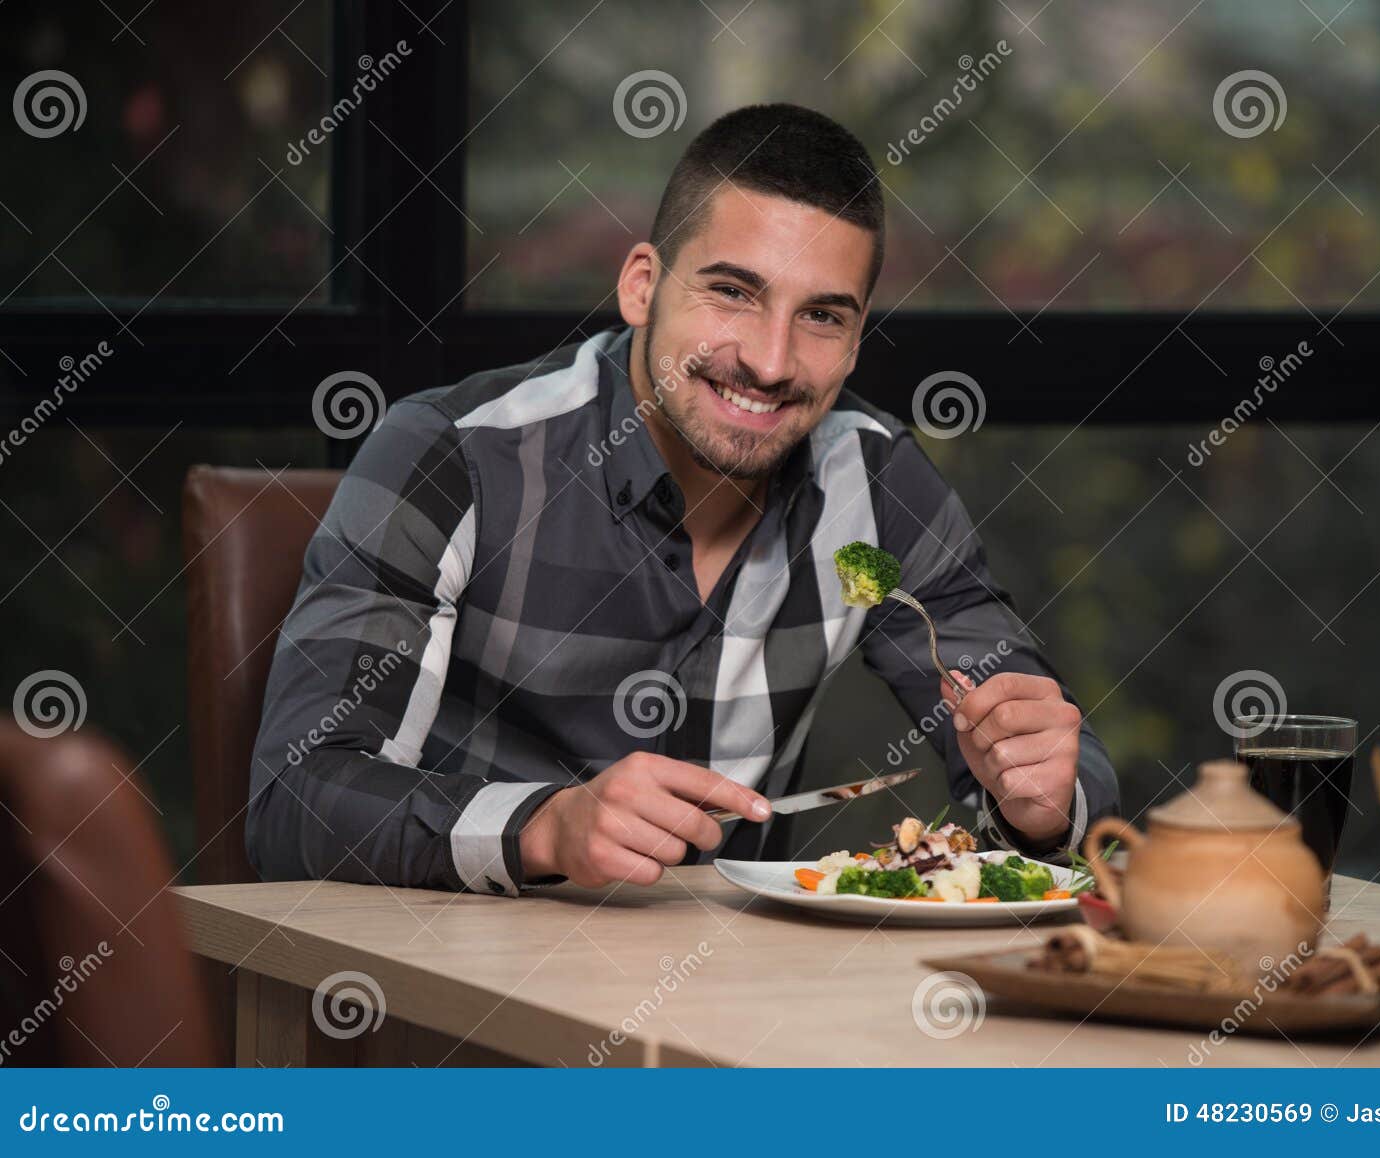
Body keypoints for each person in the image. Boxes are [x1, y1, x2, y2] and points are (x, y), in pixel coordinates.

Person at [246, 103, 1118, 895]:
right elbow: (297, 797)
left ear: (855, 344)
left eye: (822, 316)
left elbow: (1055, 766)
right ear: (641, 286)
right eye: (733, 293)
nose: (772, 362)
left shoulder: (879, 484)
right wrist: (545, 826)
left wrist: (1042, 799)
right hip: (453, 1011)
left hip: (738, 1027)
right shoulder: (455, 453)